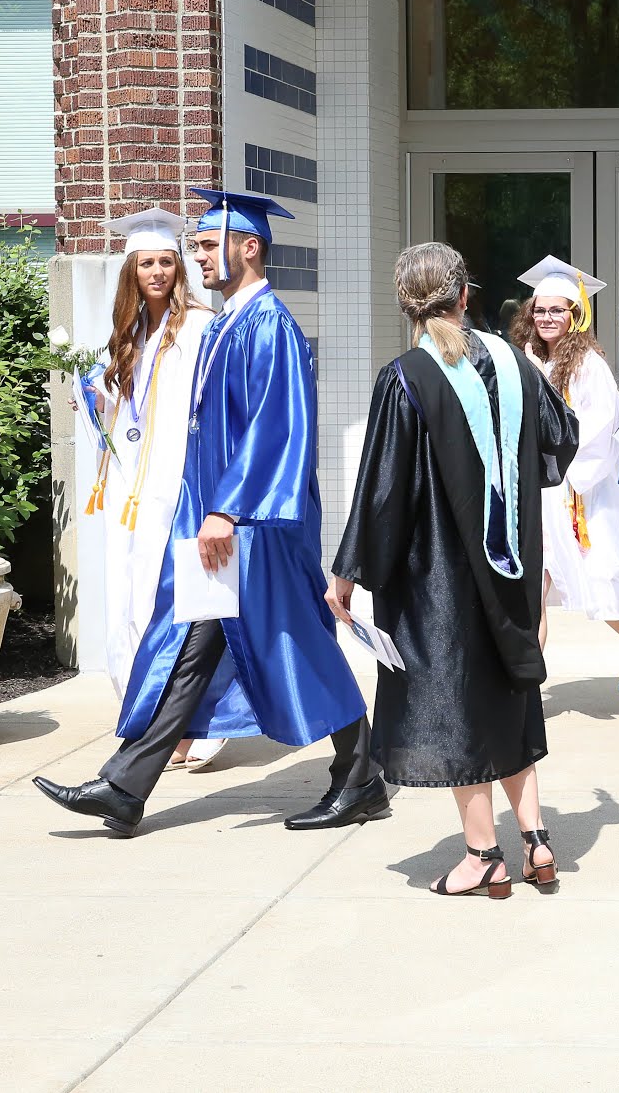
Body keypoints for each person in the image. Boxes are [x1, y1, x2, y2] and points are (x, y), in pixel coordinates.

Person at [35, 189, 379, 836]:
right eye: (195, 246)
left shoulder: (268, 323)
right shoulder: (228, 323)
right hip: (224, 525)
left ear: (249, 247)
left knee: (294, 642)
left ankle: (359, 773)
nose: (197, 257)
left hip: (254, 527)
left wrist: (224, 509)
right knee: (192, 649)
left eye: (204, 245)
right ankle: (126, 785)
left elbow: (277, 430)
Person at [330, 243, 581, 898]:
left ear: (405, 305)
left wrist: (350, 569)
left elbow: (383, 490)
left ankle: (482, 855)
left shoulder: (407, 375)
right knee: (507, 695)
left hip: (439, 577)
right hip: (513, 568)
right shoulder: (513, 362)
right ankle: (535, 841)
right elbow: (562, 439)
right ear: (465, 295)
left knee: (456, 711)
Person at [85, 208, 228, 771]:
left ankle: (190, 728)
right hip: (127, 490)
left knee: (174, 602)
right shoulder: (125, 334)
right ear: (131, 270)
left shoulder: (198, 326)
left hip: (177, 485)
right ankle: (142, 716)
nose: (158, 271)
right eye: (147, 262)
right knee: (128, 597)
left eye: (168, 261)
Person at [509, 256, 619, 646]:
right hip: (541, 495)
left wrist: (561, 472)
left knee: (605, 585)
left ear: (575, 314)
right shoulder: (531, 359)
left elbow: (596, 435)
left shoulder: (588, 367)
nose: (546, 318)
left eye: (556, 310)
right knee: (532, 592)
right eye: (539, 310)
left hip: (579, 495)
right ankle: (526, 695)